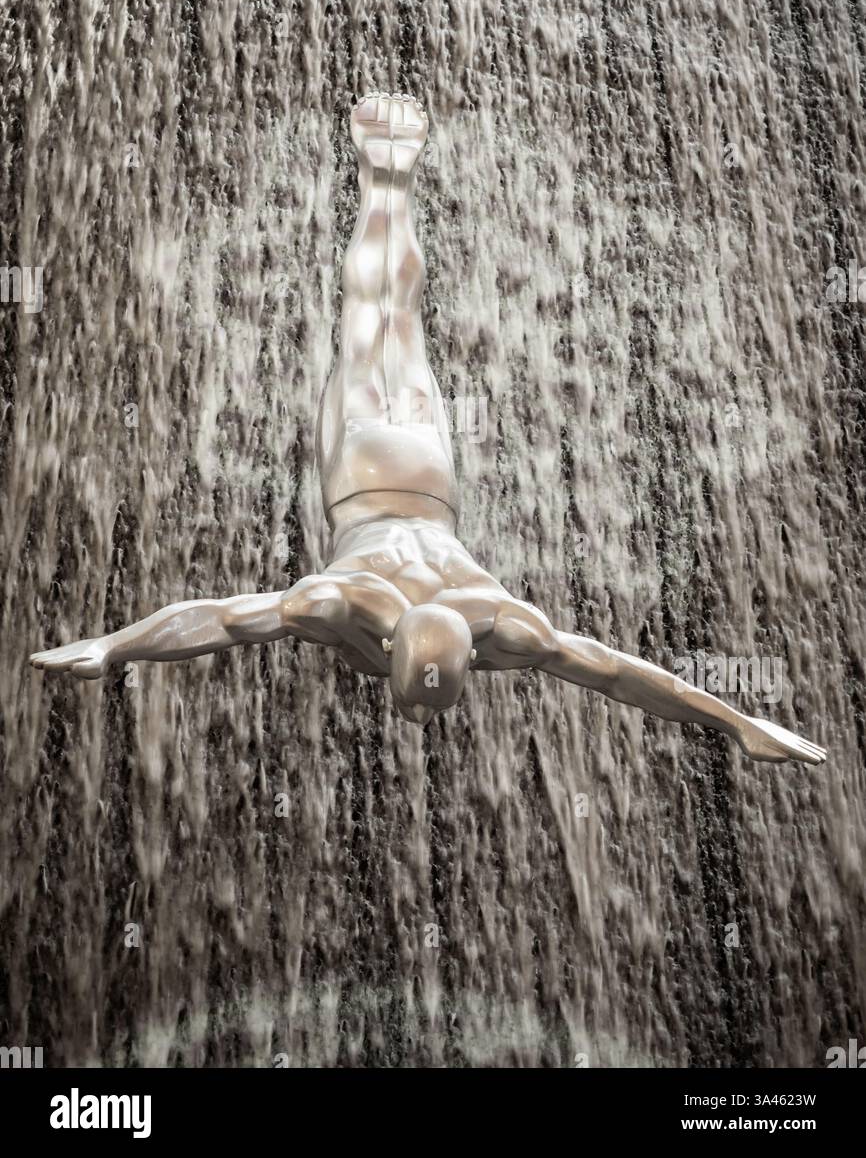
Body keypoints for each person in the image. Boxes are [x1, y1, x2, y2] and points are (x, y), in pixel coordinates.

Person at [31, 93, 826, 765]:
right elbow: (220, 618)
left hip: (431, 478)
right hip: (361, 485)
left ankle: (391, 186)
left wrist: (739, 723)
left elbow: (623, 673)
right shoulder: (342, 601)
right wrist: (113, 648)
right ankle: (385, 186)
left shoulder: (493, 615)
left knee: (395, 324)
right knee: (371, 322)